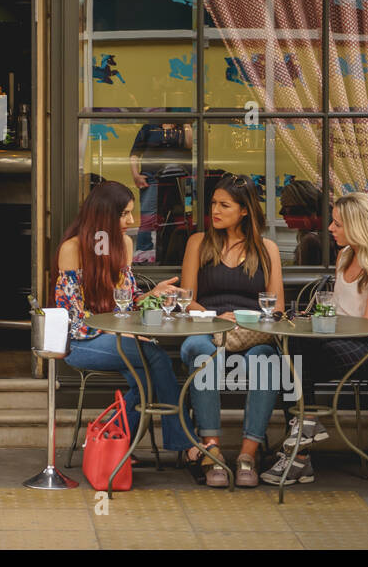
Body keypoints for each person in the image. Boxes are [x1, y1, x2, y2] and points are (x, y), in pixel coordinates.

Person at [263, 192, 368, 486]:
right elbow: (338, 311)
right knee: (289, 354)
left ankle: (300, 445)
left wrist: (320, 326)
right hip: (336, 341)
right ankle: (302, 445)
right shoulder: (345, 256)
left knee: (297, 356)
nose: (330, 228)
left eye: (338, 224)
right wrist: (314, 321)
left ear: (359, 227)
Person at [57, 180, 194, 456]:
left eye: (132, 212)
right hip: (80, 342)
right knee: (157, 357)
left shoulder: (125, 244)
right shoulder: (72, 248)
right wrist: (119, 333)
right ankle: (188, 446)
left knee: (146, 382)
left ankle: (107, 443)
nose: (132, 220)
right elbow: (74, 316)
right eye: (124, 214)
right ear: (104, 214)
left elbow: (126, 305)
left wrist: (152, 294)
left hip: (116, 337)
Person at [175, 174, 285, 488]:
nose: (215, 211)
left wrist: (241, 319)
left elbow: (275, 309)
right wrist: (217, 319)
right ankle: (212, 452)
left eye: (225, 205)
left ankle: (247, 456)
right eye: (213, 204)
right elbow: (186, 300)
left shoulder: (267, 249)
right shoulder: (198, 242)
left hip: (249, 334)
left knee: (267, 359)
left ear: (245, 210)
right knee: (201, 353)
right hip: (206, 330)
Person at [129, 121, 192, 264]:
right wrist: (135, 175)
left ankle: (179, 252)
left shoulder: (183, 126)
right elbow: (135, 154)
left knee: (181, 217)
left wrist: (187, 124)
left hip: (181, 178)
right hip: (151, 177)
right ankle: (144, 256)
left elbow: (189, 144)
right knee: (148, 217)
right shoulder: (149, 127)